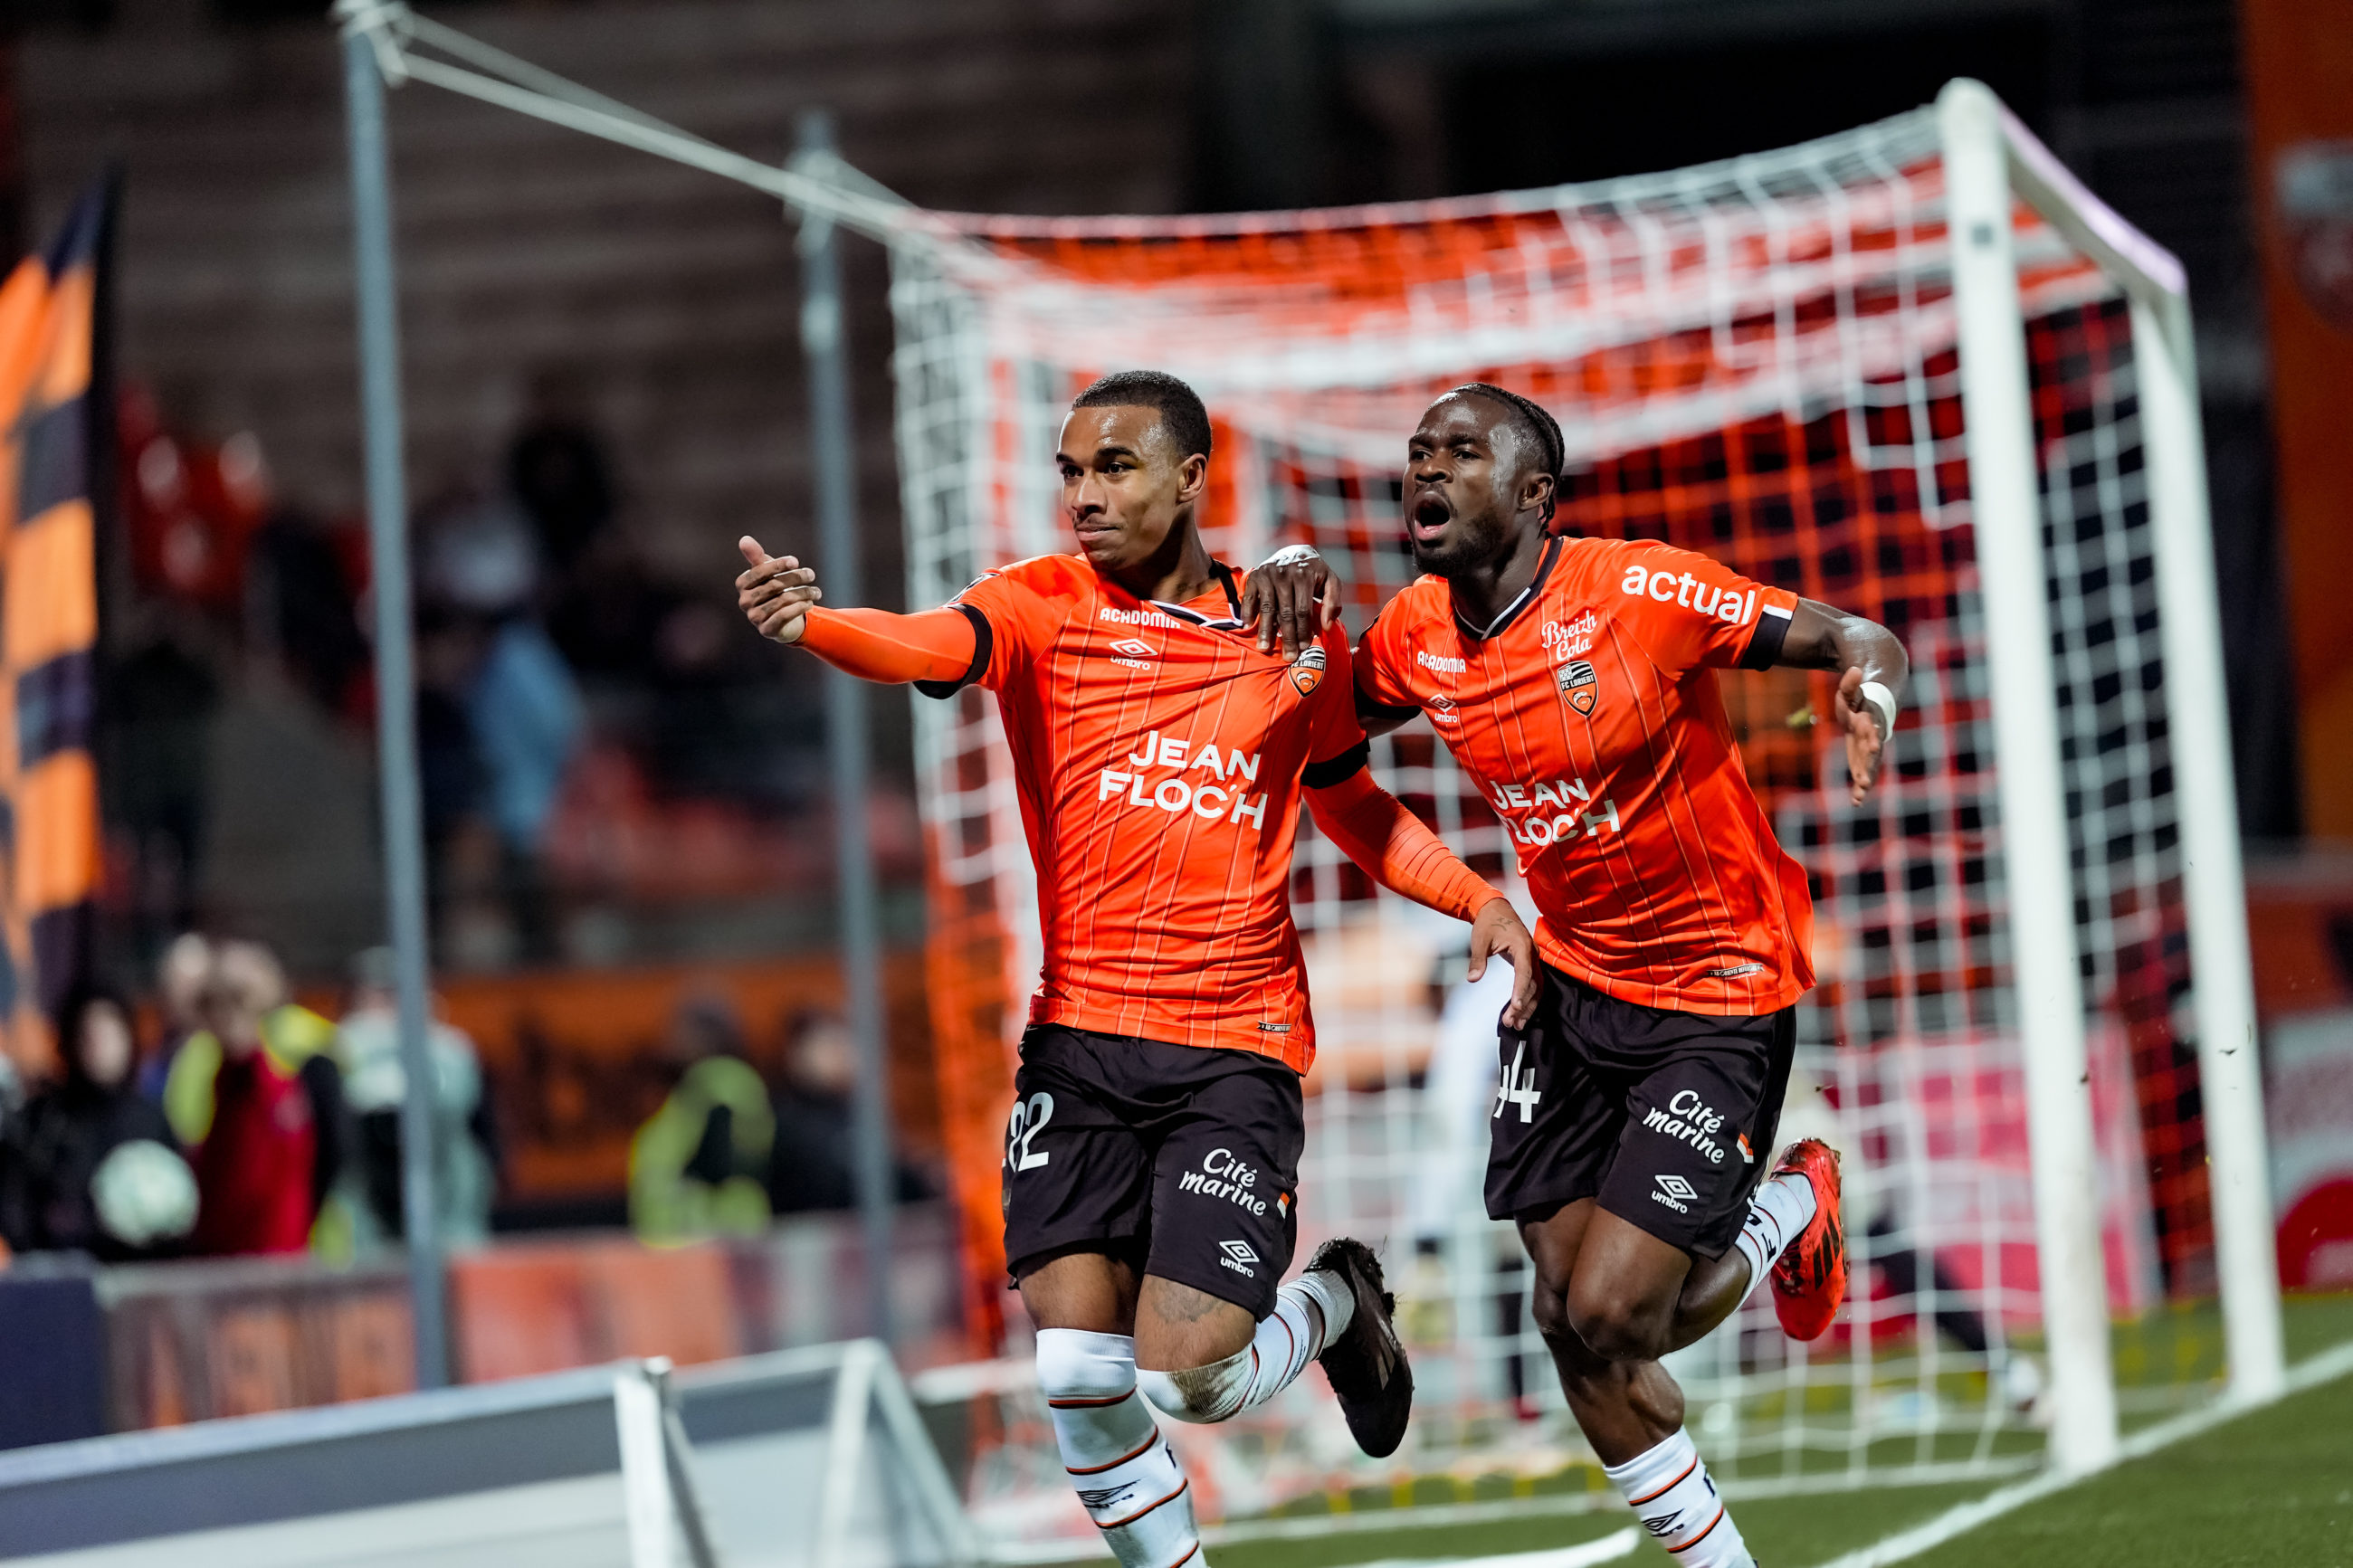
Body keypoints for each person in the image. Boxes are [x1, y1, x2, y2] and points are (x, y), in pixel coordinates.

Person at [738, 369, 1539, 1568]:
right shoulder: (1041, 607)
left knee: (1193, 1384)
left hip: (1235, 1050)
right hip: (1081, 1047)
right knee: (1075, 1371)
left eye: (1113, 467)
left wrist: (1474, 897)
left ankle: (1333, 1305)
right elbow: (921, 645)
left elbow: (1350, 802)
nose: (1083, 495)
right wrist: (816, 626)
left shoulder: (1284, 632)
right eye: (1069, 472)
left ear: (1189, 478)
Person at [1299, 383, 1907, 1568]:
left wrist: (1865, 685)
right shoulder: (1416, 633)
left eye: (1460, 452)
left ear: (1535, 493)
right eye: (1419, 451)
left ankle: (1799, 1202)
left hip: (1721, 988)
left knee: (1618, 1315)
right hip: (1573, 990)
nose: (1427, 468)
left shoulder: (1638, 589)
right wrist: (1467, 896)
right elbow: (1327, 766)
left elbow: (1854, 632)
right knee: (1569, 1329)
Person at [0, 984, 197, 1260]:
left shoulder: (151, 1119)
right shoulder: (44, 1121)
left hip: (143, 1278)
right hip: (65, 1278)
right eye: (87, 1035)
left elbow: (181, 1207)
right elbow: (16, 1205)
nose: (98, 1046)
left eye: (109, 1034)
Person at [334, 947, 499, 1251]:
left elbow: (483, 1134)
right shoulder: (343, 1050)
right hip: (367, 1235)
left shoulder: (451, 1052)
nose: (392, 1006)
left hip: (448, 1225)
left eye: (399, 993)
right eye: (381, 994)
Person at [186, 944, 319, 1255]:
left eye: (237, 1001)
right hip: (231, 1261)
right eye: (214, 1004)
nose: (225, 1016)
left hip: (272, 1260)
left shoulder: (281, 1073)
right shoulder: (221, 1078)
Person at [629, 994, 775, 1244]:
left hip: (716, 1238)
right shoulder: (687, 1089)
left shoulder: (723, 1085)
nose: (674, 1041)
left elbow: (724, 1161)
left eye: (684, 1032)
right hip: (683, 1243)